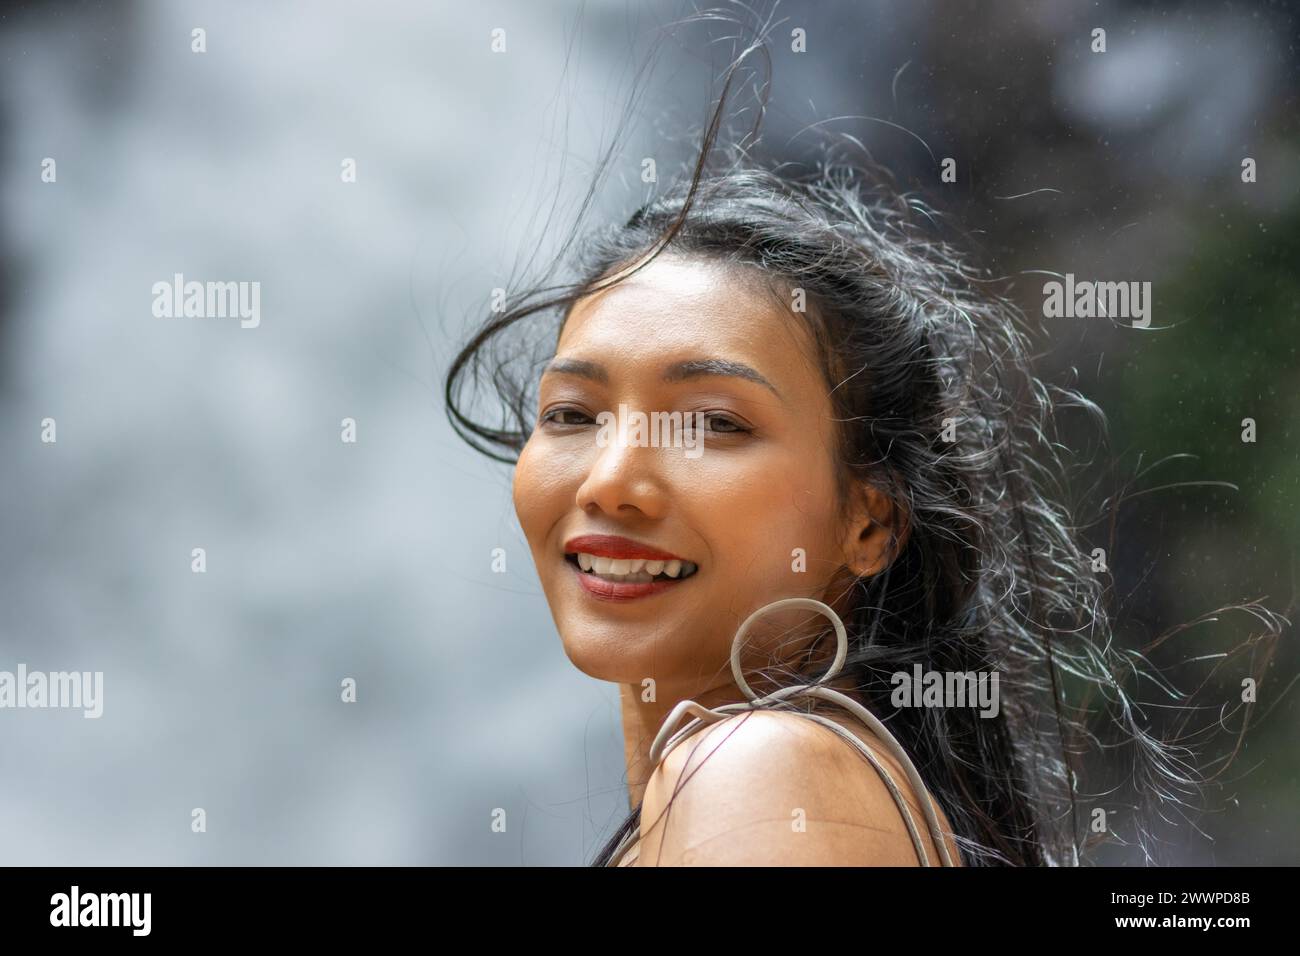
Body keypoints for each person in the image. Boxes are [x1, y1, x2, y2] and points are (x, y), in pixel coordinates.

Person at [443, 10, 1281, 866]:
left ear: (870, 523)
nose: (609, 481)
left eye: (715, 425)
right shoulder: (780, 775)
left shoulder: (764, 771)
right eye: (573, 415)